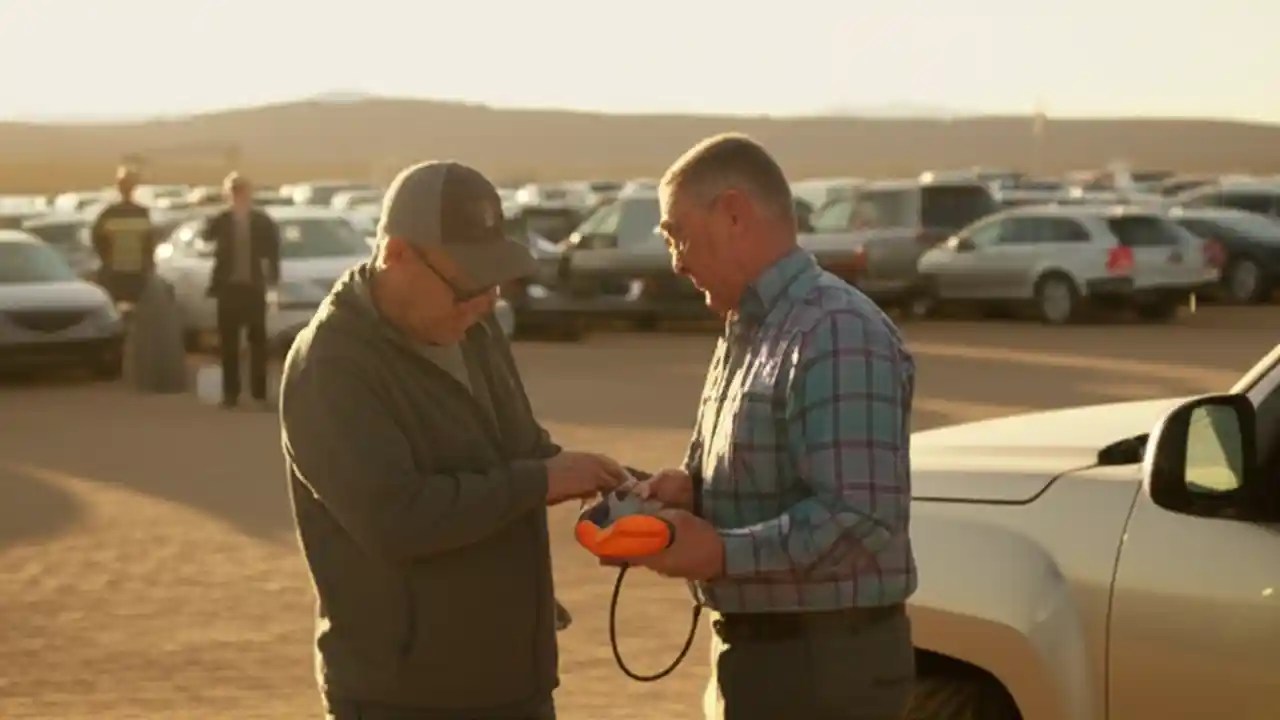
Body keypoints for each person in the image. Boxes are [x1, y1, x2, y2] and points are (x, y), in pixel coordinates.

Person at [279, 160, 629, 720]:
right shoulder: (330, 365)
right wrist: (538, 481)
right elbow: (397, 518)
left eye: (493, 281)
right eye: (467, 283)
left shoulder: (473, 327)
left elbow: (519, 448)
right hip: (405, 697)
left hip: (515, 682)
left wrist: (619, 482)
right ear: (396, 255)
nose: (484, 300)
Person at [632, 134, 918, 720]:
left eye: (677, 235)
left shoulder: (834, 330)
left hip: (821, 670)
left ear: (734, 213)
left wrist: (719, 553)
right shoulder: (754, 327)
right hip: (769, 658)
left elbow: (857, 517)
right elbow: (771, 473)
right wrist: (692, 490)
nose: (676, 261)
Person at [204, 172, 281, 409]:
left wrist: (273, 283)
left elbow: (273, 253)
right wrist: (212, 215)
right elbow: (206, 236)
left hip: (253, 288)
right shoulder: (223, 219)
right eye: (234, 191)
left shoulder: (261, 221)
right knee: (229, 343)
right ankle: (231, 394)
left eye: (242, 190)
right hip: (228, 289)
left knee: (258, 342)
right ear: (229, 193)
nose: (239, 195)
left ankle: (259, 393)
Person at [91, 165, 156, 307]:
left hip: (136, 273)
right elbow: (98, 241)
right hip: (117, 273)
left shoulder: (140, 213)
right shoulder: (109, 214)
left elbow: (149, 244)